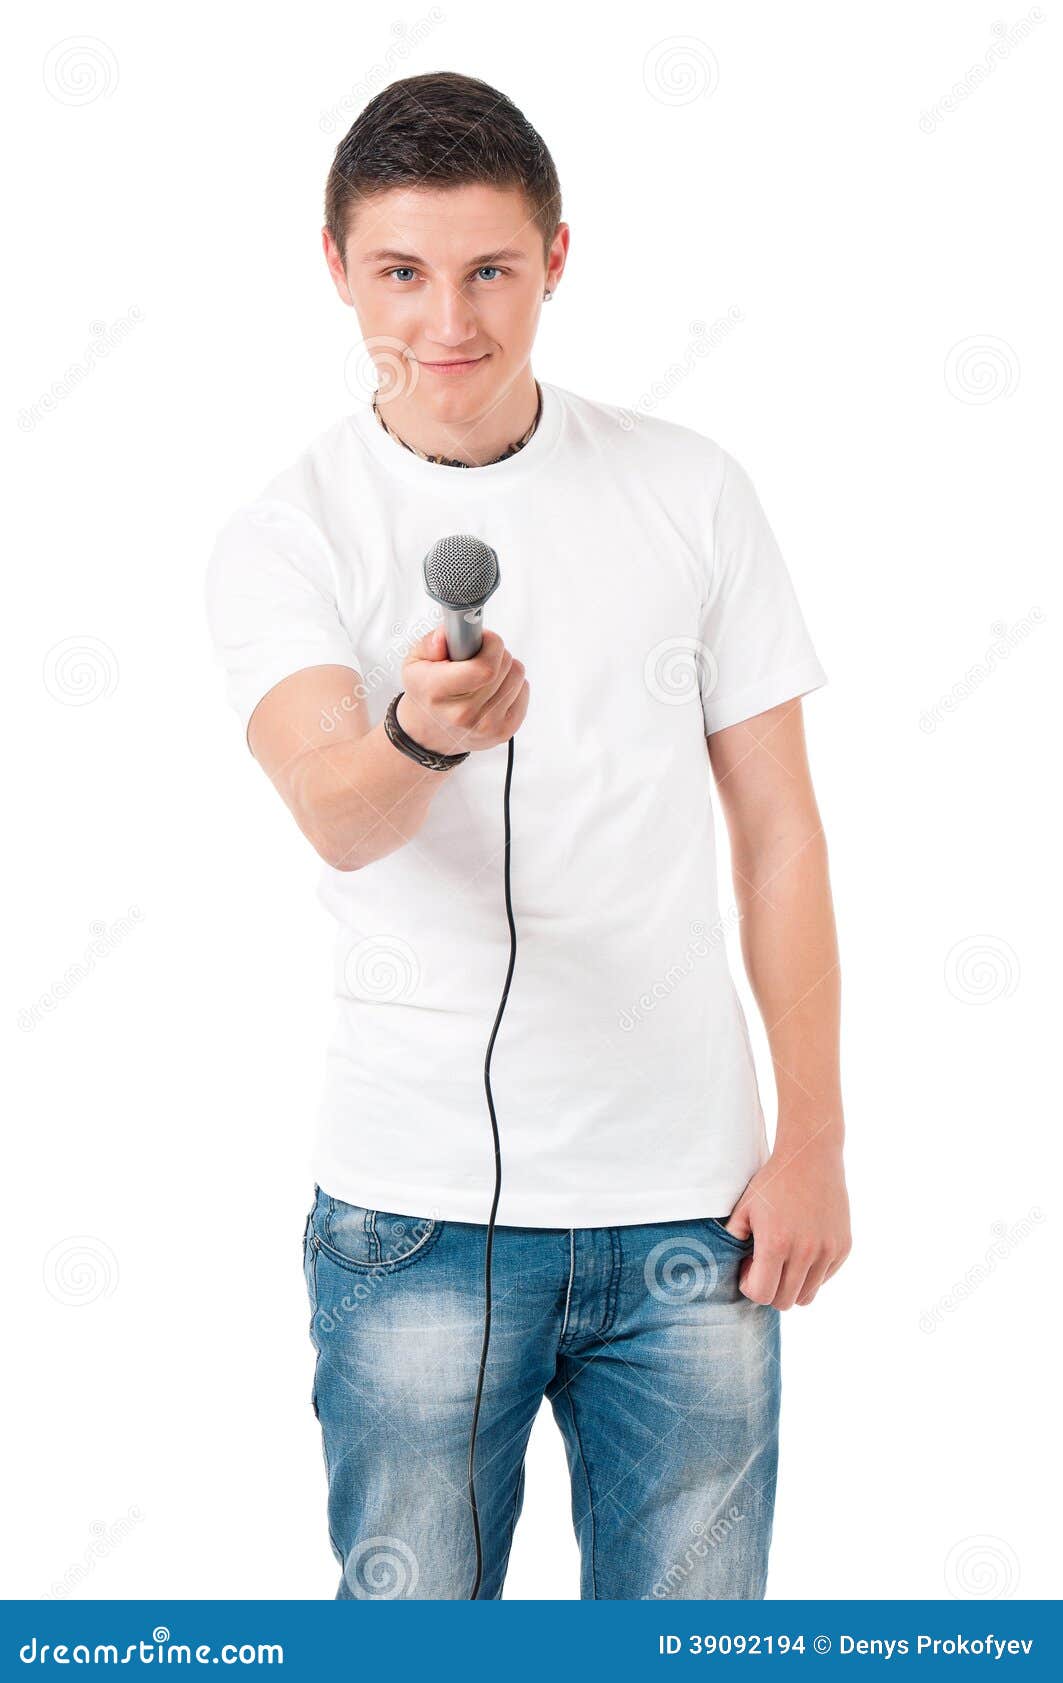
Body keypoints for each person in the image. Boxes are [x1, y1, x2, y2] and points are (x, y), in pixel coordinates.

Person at [205, 70, 851, 1602]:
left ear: (556, 259)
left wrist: (812, 1135)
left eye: (491, 270)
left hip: (692, 1215)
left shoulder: (692, 488)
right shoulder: (284, 531)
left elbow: (781, 832)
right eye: (402, 274)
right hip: (412, 1223)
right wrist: (421, 736)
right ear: (337, 268)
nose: (450, 323)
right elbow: (335, 812)